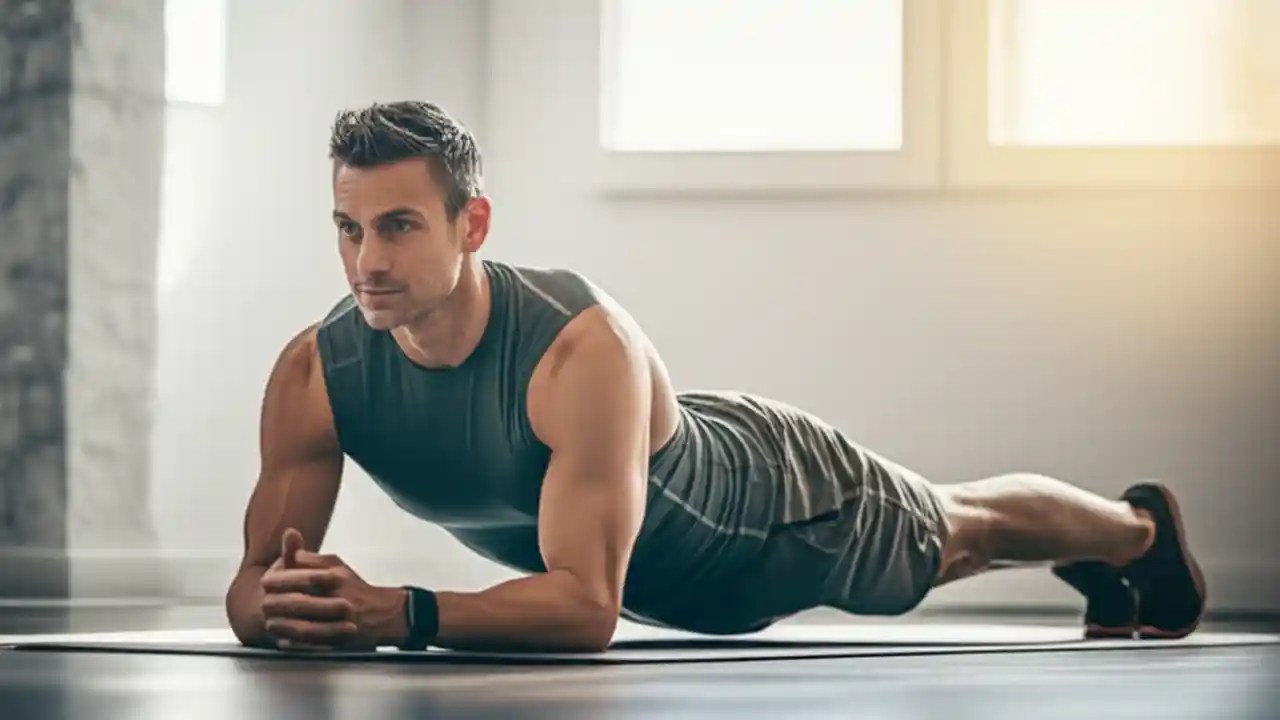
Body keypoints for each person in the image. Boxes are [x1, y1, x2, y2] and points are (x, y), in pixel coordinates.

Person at [223, 101, 1206, 654]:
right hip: (666, 520)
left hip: (775, 507)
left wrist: (398, 612)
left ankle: (1137, 531)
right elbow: (247, 588)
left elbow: (582, 608)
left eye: (398, 227)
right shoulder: (317, 371)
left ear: (469, 227)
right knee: (956, 528)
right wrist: (285, 605)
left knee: (954, 535)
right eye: (348, 229)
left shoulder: (576, 348)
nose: (367, 264)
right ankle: (1114, 538)